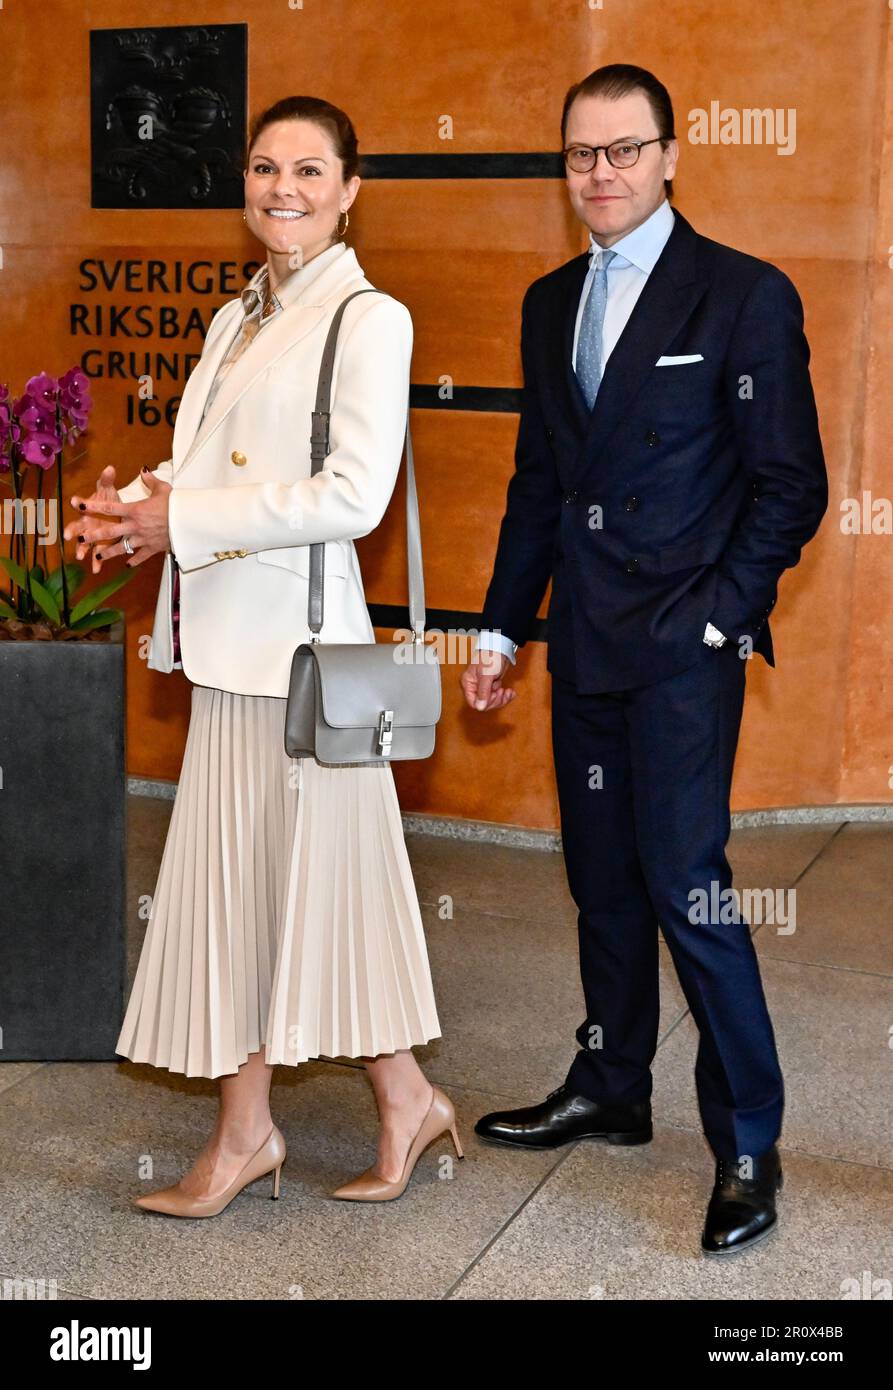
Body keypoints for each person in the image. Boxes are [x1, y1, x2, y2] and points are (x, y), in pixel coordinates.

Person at [64, 95, 461, 1216]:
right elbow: (205, 462)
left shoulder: (367, 317)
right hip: (231, 650)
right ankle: (353, 1111)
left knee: (293, 895)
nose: (281, 187)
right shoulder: (239, 314)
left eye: (307, 169)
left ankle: (275, 1129)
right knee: (273, 895)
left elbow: (353, 494)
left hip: (298, 663)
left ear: (348, 190)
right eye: (263, 166)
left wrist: (179, 522)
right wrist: (134, 505)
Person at [460, 64, 827, 1255]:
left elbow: (790, 486)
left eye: (622, 150)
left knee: (688, 888)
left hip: (679, 651)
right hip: (583, 646)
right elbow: (536, 488)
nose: (599, 173)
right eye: (578, 154)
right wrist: (503, 626)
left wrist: (718, 617)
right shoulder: (545, 298)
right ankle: (613, 1083)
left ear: (669, 155)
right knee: (600, 881)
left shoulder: (741, 295)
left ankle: (747, 1143)